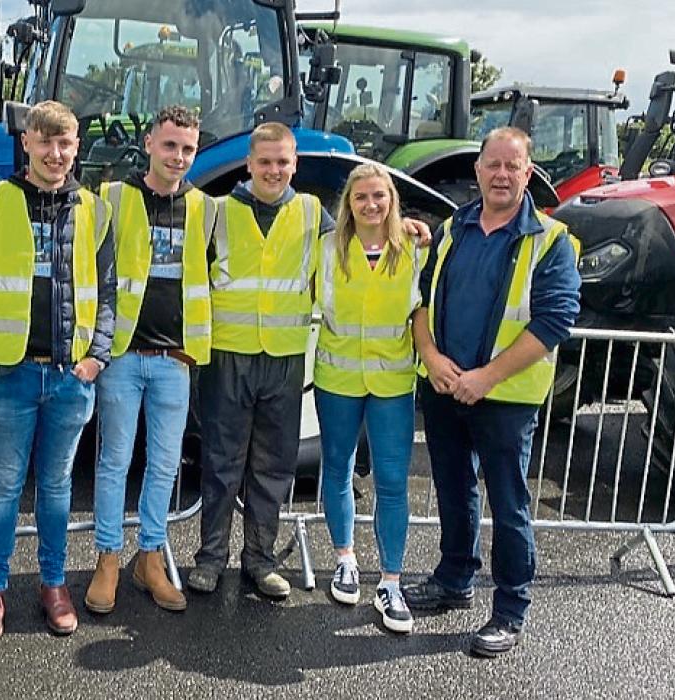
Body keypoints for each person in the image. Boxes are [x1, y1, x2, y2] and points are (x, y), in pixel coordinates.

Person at [402, 126, 581, 657]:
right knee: (454, 490)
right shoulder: (454, 229)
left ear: (529, 173)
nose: (502, 175)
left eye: (513, 166)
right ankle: (454, 579)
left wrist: (486, 377)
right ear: (477, 170)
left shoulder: (550, 240)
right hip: (444, 386)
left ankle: (509, 610)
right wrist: (432, 359)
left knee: (509, 504)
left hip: (504, 397)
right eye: (493, 164)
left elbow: (554, 322)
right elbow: (420, 300)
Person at [0, 100, 115, 642]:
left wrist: (96, 354)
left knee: (55, 488)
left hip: (69, 376)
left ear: (76, 147)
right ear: (26, 143)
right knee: (5, 486)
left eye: (66, 143)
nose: (56, 153)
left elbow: (109, 292)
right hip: (8, 373)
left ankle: (54, 583)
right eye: (45, 141)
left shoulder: (95, 211)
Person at [85, 105, 215, 615]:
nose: (178, 157)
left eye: (186, 148)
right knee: (114, 461)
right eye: (169, 146)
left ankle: (151, 556)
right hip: (122, 354)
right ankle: (107, 558)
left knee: (164, 464)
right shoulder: (112, 198)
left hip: (173, 359)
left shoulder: (207, 207)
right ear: (149, 144)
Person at [187, 122, 324, 600]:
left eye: (283, 162)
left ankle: (260, 560)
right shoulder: (218, 212)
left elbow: (356, 242)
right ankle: (210, 558)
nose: (273, 170)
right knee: (222, 461)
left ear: (295, 164)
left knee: (272, 465)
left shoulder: (311, 212)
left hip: (284, 360)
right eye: (264, 162)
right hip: (227, 356)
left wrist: (407, 233)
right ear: (248, 164)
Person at [312, 163, 423, 634]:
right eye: (361, 198)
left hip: (393, 383)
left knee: (393, 480)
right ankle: (345, 559)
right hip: (336, 378)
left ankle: (391, 581)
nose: (371, 205)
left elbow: (423, 309)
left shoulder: (415, 249)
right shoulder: (326, 247)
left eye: (379, 196)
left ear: (392, 199)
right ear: (348, 203)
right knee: (336, 468)